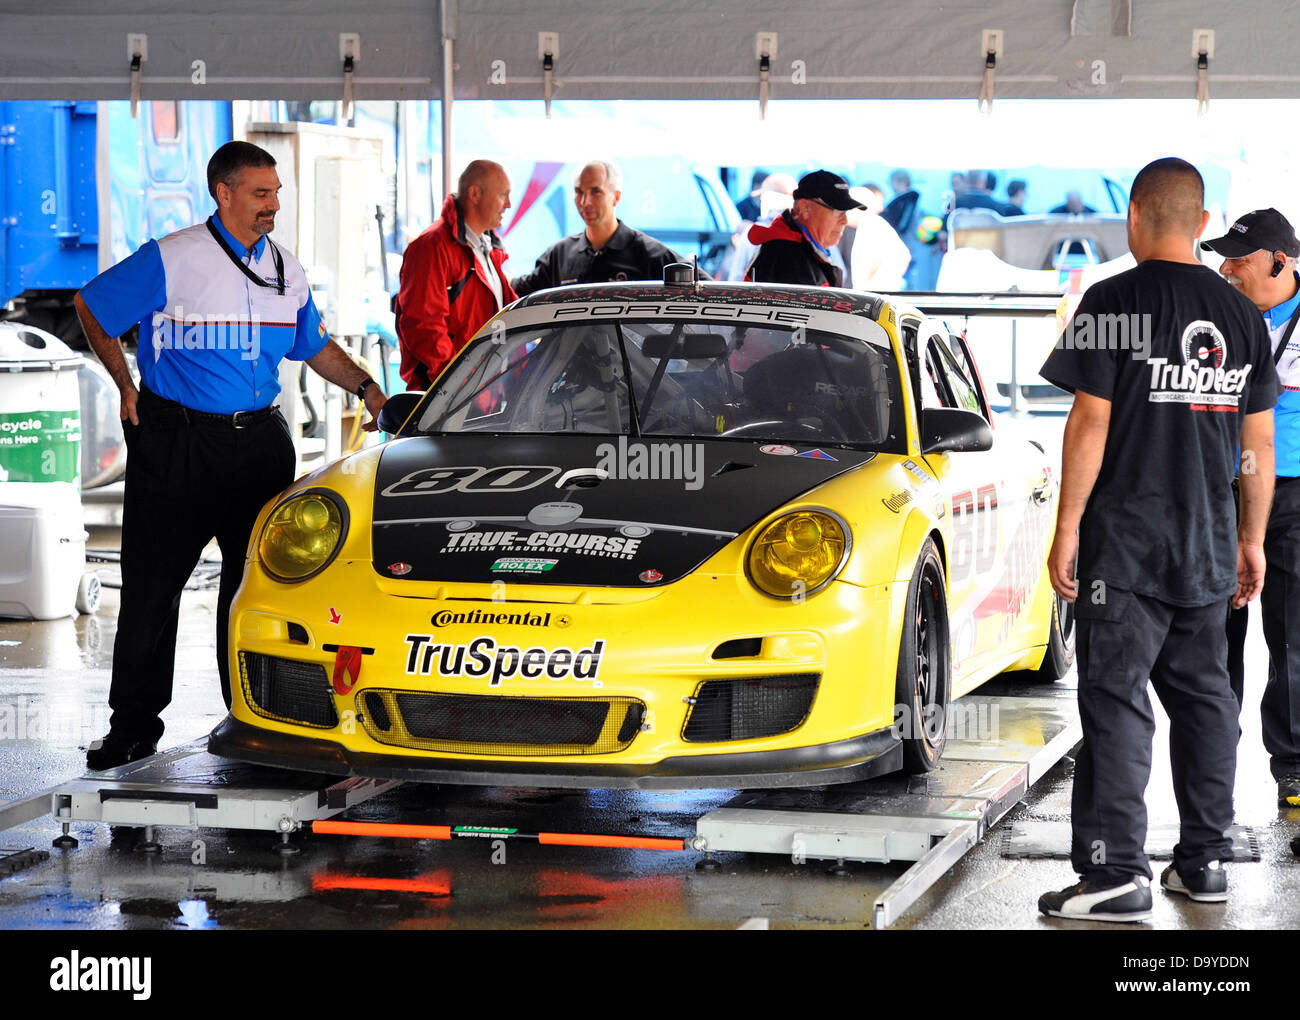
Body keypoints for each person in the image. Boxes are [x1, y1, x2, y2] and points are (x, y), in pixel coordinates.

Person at [73, 140, 387, 770]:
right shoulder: (174, 257)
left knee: (255, 589)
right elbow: (93, 305)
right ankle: (132, 728)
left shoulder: (286, 271)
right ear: (224, 193)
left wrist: (371, 392)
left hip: (259, 445)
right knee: (151, 588)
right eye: (261, 193)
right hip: (178, 441)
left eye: (277, 192)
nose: (274, 205)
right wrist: (125, 383)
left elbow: (315, 347)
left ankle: (252, 721)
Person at [1037, 157, 1279, 921]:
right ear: (1203, 224)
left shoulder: (1112, 300)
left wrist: (1066, 525)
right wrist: (1253, 540)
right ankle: (1204, 862)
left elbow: (1090, 422)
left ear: (1136, 216)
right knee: (1207, 701)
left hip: (1126, 544)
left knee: (1116, 703)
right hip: (1206, 541)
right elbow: (1260, 446)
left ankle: (1112, 875)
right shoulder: (1243, 313)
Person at [1209, 208, 1300, 806]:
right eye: (1223, 257)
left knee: (1293, 635)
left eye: (1239, 259)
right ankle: (1210, 763)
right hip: (1223, 487)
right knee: (1215, 634)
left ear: (1280, 262)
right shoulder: (1217, 316)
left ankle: (1293, 768)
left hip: (1294, 491)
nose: (1226, 269)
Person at [396, 160, 515, 390]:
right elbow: (424, 326)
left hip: (485, 394)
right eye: (503, 195)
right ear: (475, 194)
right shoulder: (432, 247)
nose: (509, 204)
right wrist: (459, 387)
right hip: (449, 402)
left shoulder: (489, 248)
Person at [511, 160, 683, 296]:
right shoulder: (560, 254)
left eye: (595, 192)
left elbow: (703, 290)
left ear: (616, 197)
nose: (585, 202)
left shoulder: (649, 254)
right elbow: (517, 290)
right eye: (579, 192)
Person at [744, 169, 865, 286]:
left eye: (845, 213)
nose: (845, 221)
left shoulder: (802, 250)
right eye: (838, 212)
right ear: (804, 208)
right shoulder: (786, 256)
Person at [848, 185, 911, 291]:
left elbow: (903, 256)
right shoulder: (866, 225)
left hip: (875, 293)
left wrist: (868, 285)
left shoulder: (872, 224)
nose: (881, 208)